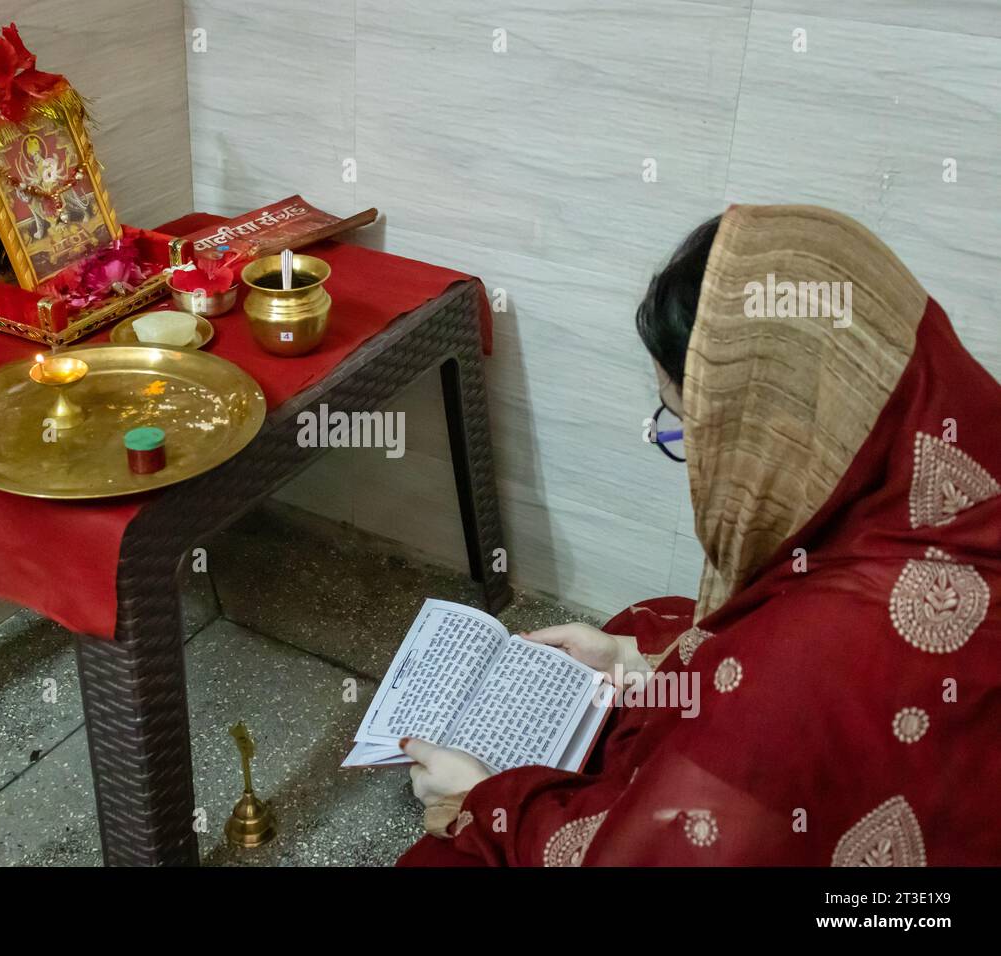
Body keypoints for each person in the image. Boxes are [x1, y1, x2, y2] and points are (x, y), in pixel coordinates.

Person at [397, 204, 1001, 866]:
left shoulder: (800, 671)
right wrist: (636, 664)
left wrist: (483, 799)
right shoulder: (956, 429)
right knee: (648, 635)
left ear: (779, 436)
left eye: (687, 430)